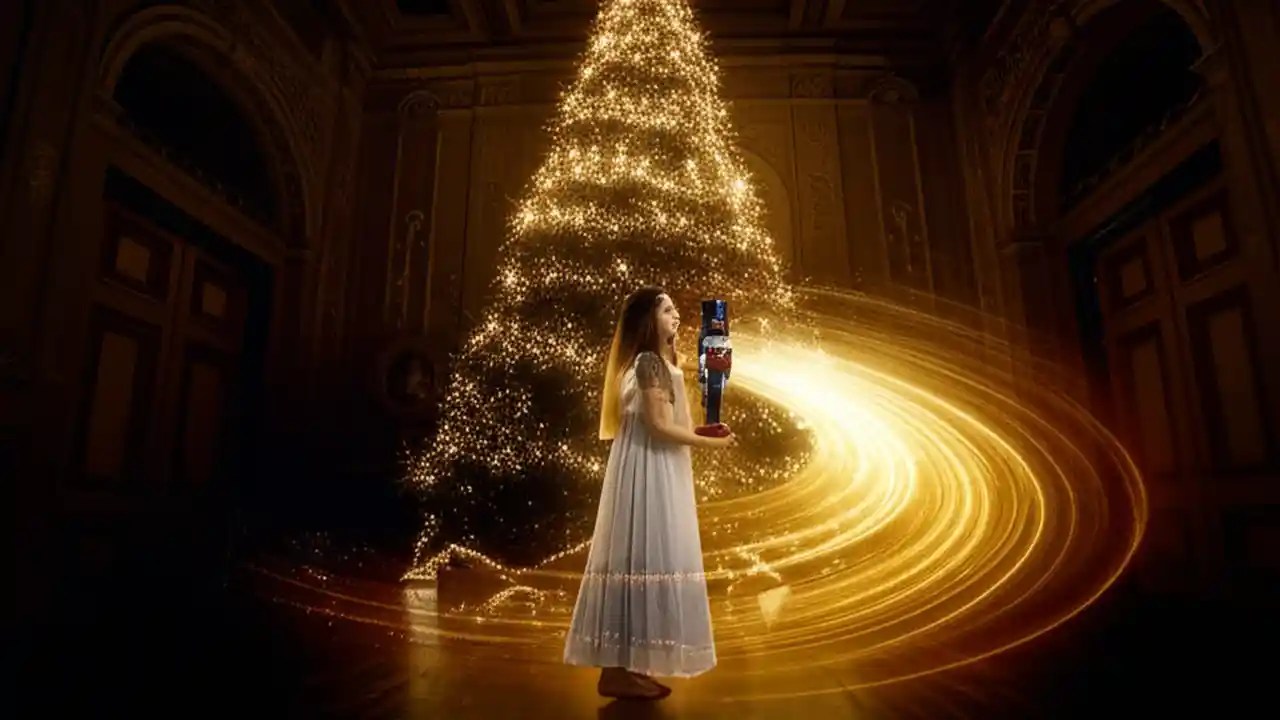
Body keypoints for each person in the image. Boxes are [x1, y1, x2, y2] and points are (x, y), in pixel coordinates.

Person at [563, 286, 737, 700]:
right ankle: (618, 670)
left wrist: (705, 430)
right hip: (650, 467)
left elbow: (667, 420)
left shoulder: (656, 363)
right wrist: (710, 445)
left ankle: (626, 667)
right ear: (647, 320)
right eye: (666, 309)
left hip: (657, 464)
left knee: (644, 556)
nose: (676, 315)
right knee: (643, 554)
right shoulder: (647, 363)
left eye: (675, 309)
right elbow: (659, 427)